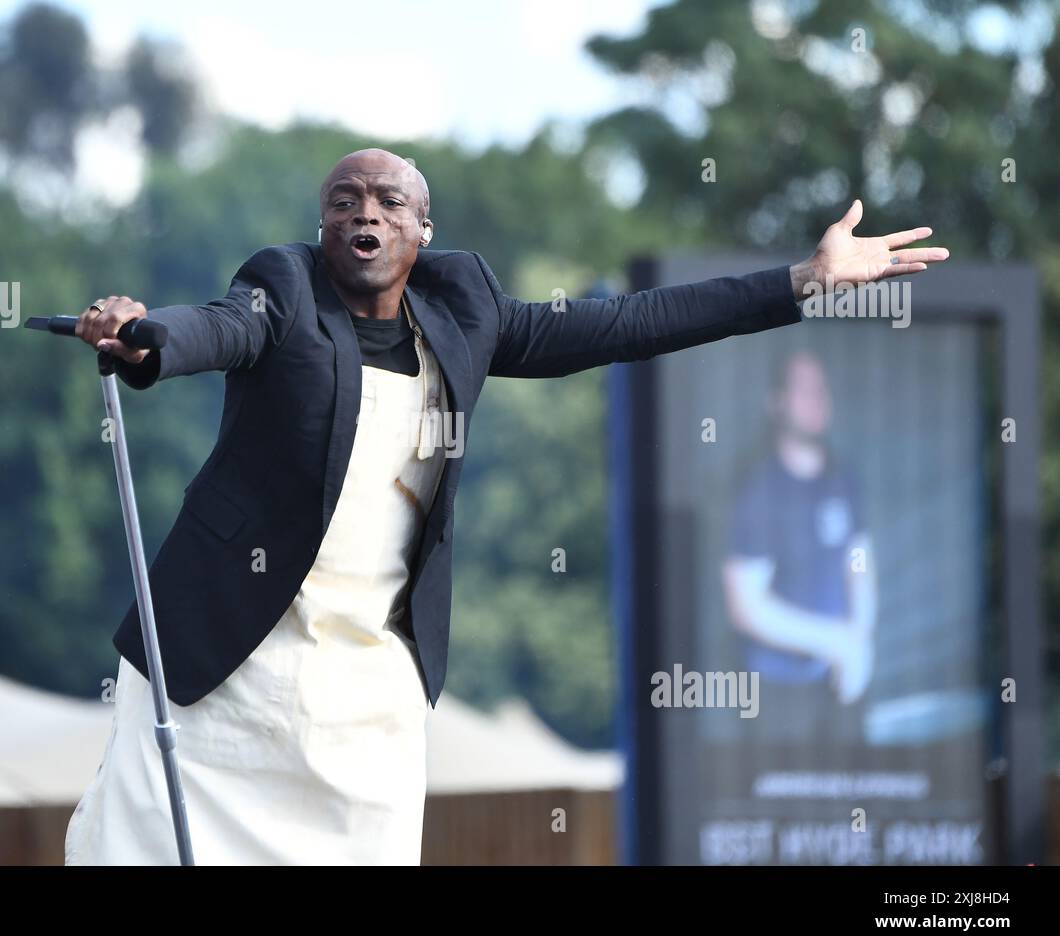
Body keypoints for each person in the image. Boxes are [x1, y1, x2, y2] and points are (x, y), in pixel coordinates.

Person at [64, 148, 947, 864]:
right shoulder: (284, 289)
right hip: (227, 661)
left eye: (387, 201)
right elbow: (220, 327)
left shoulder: (466, 311)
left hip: (366, 682)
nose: (363, 213)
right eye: (343, 200)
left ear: (422, 229)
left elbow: (628, 324)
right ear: (322, 224)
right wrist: (143, 342)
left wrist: (800, 279)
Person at [722, 349, 877, 744]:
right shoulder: (756, 491)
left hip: (838, 682)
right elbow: (746, 606)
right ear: (776, 402)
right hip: (777, 695)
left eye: (821, 389)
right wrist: (834, 639)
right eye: (804, 390)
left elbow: (858, 559)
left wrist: (859, 639)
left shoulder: (843, 478)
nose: (816, 400)